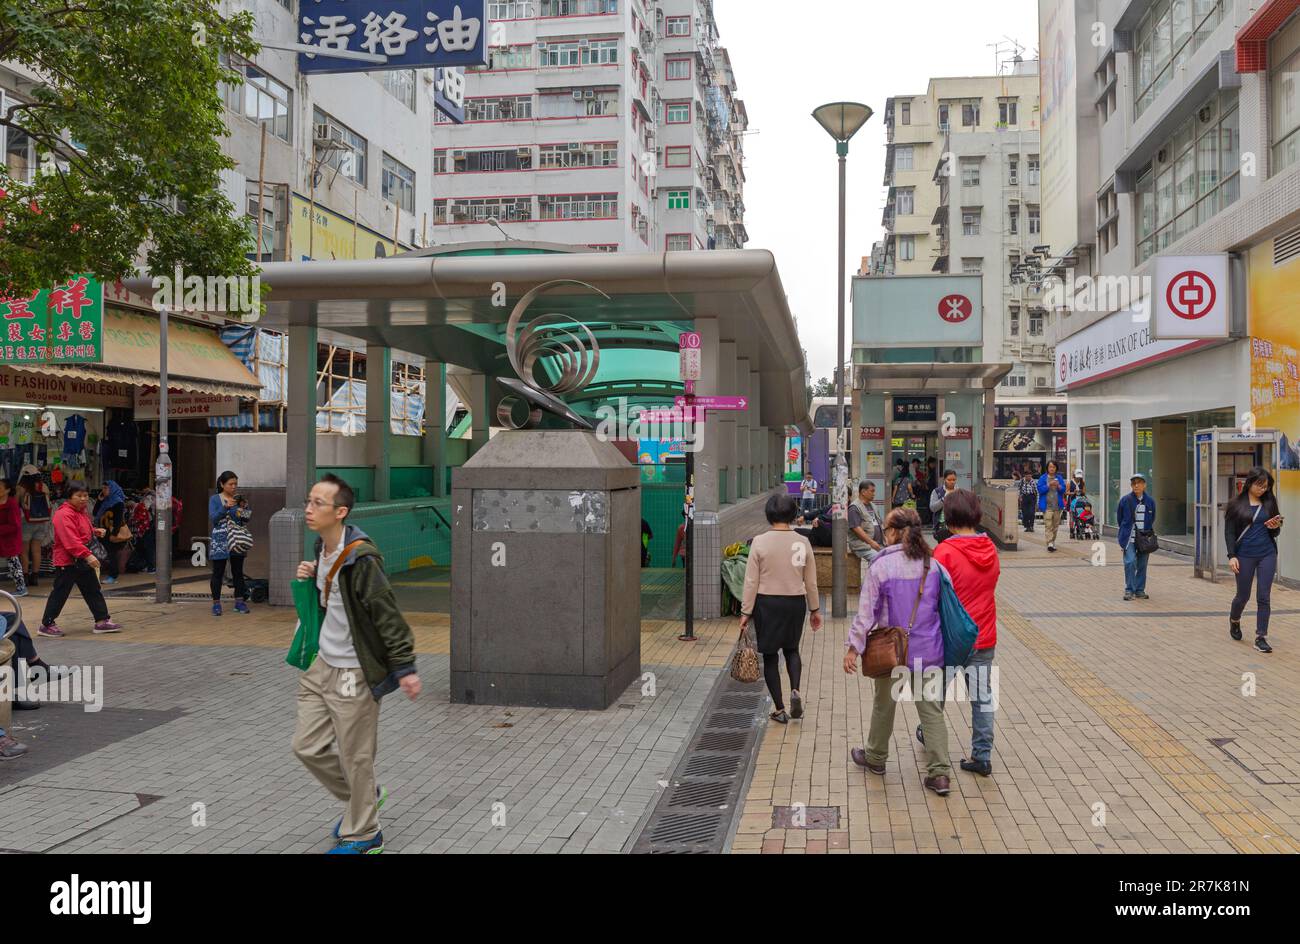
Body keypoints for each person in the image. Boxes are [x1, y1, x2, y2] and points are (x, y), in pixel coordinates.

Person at [292, 473, 421, 854]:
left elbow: (387, 615)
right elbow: (332, 603)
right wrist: (312, 576)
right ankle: (366, 798)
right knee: (307, 746)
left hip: (353, 671)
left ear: (341, 512)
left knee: (356, 756)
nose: (309, 509)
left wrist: (405, 668)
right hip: (321, 664)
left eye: (318, 503)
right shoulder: (321, 547)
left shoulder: (362, 559)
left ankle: (365, 834)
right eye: (309, 501)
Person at [844, 507, 952, 796]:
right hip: (928, 649)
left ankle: (876, 757)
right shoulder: (933, 565)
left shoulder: (881, 565)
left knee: (884, 705)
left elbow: (866, 614)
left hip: (891, 651)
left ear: (893, 532)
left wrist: (853, 648)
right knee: (931, 711)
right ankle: (940, 773)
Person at [932, 489, 1000, 776]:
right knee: (982, 698)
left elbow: (933, 596)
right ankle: (982, 756)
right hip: (984, 634)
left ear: (949, 517)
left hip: (951, 637)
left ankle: (930, 735)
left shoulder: (944, 552)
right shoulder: (991, 549)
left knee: (934, 694)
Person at [740, 493, 822, 724]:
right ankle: (795, 689)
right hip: (795, 602)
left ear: (769, 514)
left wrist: (745, 612)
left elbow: (751, 581)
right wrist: (815, 610)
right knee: (792, 649)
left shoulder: (759, 541)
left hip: (767, 603)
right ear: (793, 514)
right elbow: (811, 582)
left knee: (770, 656)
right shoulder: (803, 542)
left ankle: (779, 708)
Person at [37, 485, 123, 638]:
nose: (83, 499)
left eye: (85, 495)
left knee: (93, 590)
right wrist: (88, 556)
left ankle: (102, 621)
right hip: (68, 561)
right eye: (79, 495)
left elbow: (80, 530)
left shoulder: (80, 512)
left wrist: (94, 531)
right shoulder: (63, 514)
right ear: (70, 497)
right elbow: (70, 539)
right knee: (60, 593)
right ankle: (46, 624)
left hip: (81, 559)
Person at [1225, 467, 1283, 653]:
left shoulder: (1270, 502)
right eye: (1259, 485)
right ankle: (1234, 620)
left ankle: (1261, 637)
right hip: (1244, 555)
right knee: (1243, 596)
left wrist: (1275, 526)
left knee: (1264, 596)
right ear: (1249, 483)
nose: (1262, 489)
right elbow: (1229, 533)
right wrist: (1232, 556)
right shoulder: (1236, 504)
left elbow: (1276, 531)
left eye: (1265, 486)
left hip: (1267, 553)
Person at [209, 471, 252, 616]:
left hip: (237, 539)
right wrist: (226, 507)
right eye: (230, 484)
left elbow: (245, 519)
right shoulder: (215, 499)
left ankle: (239, 602)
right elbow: (214, 518)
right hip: (220, 539)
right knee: (218, 572)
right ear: (222, 484)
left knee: (238, 572)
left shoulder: (238, 499)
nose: (234, 487)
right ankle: (216, 604)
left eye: (235, 484)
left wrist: (244, 508)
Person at [1116, 472, 1157, 602]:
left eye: (1139, 483)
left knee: (1142, 564)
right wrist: (1125, 533)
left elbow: (1152, 518)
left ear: (1144, 485)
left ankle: (1139, 590)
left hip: (1144, 539)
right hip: (1129, 538)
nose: (1136, 485)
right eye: (1134, 483)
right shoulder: (1125, 500)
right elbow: (1120, 518)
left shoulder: (1150, 501)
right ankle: (1129, 589)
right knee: (1130, 562)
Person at [17, 466, 51, 586]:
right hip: (42, 521)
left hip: (26, 521)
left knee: (24, 551)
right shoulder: (44, 486)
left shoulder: (21, 487)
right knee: (36, 550)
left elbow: (15, 504)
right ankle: (35, 577)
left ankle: (25, 576)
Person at [93, 481, 129, 584]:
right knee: (102, 552)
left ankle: (113, 575)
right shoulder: (105, 501)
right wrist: (99, 501)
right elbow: (95, 513)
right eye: (103, 488)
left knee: (111, 553)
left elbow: (118, 520)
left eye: (106, 488)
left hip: (111, 531)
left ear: (112, 489)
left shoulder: (118, 502)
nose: (103, 490)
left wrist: (114, 534)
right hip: (102, 530)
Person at [848, 481, 885, 569]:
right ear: (863, 492)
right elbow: (856, 528)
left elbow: (879, 523)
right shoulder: (854, 507)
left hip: (878, 544)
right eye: (872, 491)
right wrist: (871, 542)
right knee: (879, 559)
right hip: (862, 546)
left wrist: (885, 537)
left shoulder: (873, 506)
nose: (874, 494)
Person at [0, 478, 27, 597]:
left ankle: (21, 588)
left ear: (7, 490)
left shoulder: (11, 504)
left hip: (10, 539)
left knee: (14, 564)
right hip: (2, 538)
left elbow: (15, 525)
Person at [1037, 460, 1067, 551]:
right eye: (1050, 467)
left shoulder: (1059, 478)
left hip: (1057, 506)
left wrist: (1059, 486)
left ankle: (1052, 541)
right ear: (1047, 468)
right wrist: (1048, 485)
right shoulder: (1043, 478)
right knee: (1048, 525)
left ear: (1056, 468)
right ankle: (1049, 543)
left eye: (1053, 467)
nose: (1052, 469)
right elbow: (1040, 490)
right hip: (1047, 506)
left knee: (1055, 526)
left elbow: (1063, 490)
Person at [929, 469, 959, 542]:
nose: (952, 482)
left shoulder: (959, 492)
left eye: (954, 480)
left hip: (956, 525)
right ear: (944, 479)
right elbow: (932, 508)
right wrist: (943, 499)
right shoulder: (937, 491)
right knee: (943, 546)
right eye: (949, 480)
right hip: (942, 525)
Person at [1018, 463, 1039, 533]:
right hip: (1024, 497)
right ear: (1025, 476)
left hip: (1032, 497)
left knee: (1031, 512)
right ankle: (1027, 526)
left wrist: (1037, 502)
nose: (1029, 478)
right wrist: (1020, 497)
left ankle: (1031, 526)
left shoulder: (1033, 482)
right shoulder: (1022, 481)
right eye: (1027, 476)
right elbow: (1019, 490)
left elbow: (1037, 492)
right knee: (1025, 513)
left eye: (1030, 476)